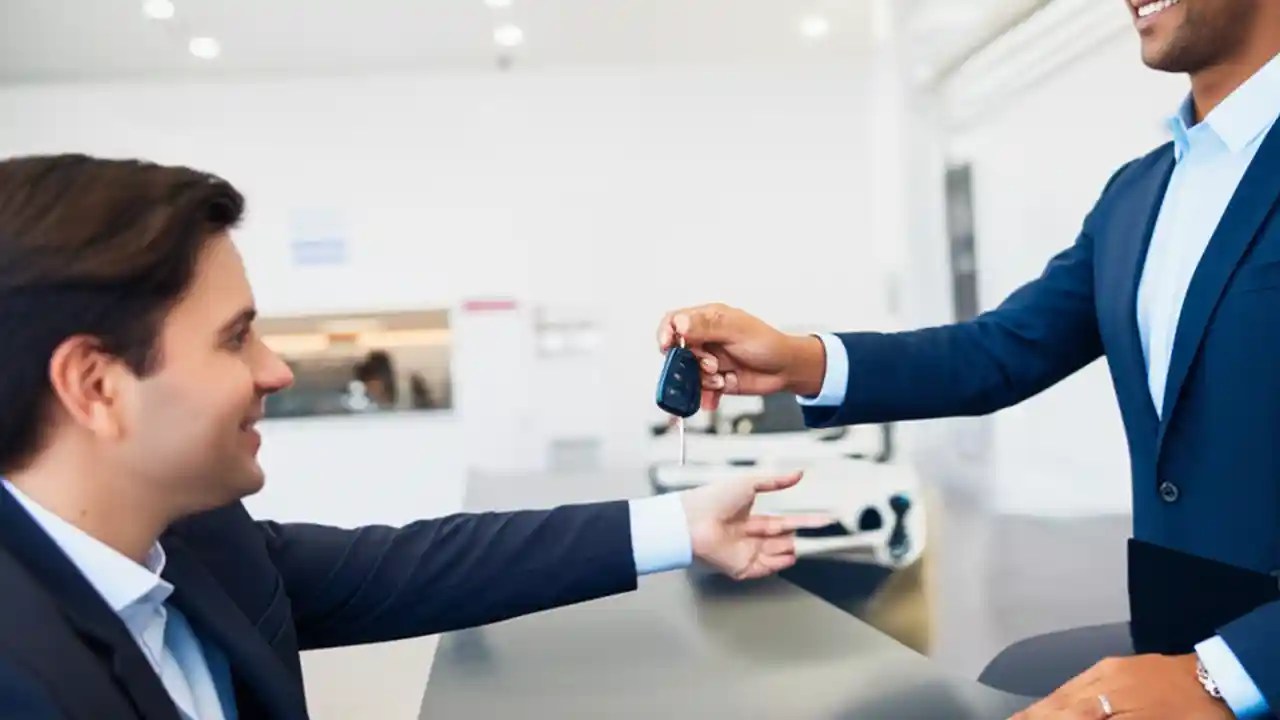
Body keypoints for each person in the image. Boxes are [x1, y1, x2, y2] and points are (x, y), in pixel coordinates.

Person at [0, 155, 831, 720]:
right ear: (96, 386)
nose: (276, 372)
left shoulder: (196, 546)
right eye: (234, 338)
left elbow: (405, 566)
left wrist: (681, 527)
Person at [659, 1, 1280, 718]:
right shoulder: (1136, 195)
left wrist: (1226, 678)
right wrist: (800, 361)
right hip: (1176, 637)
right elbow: (999, 352)